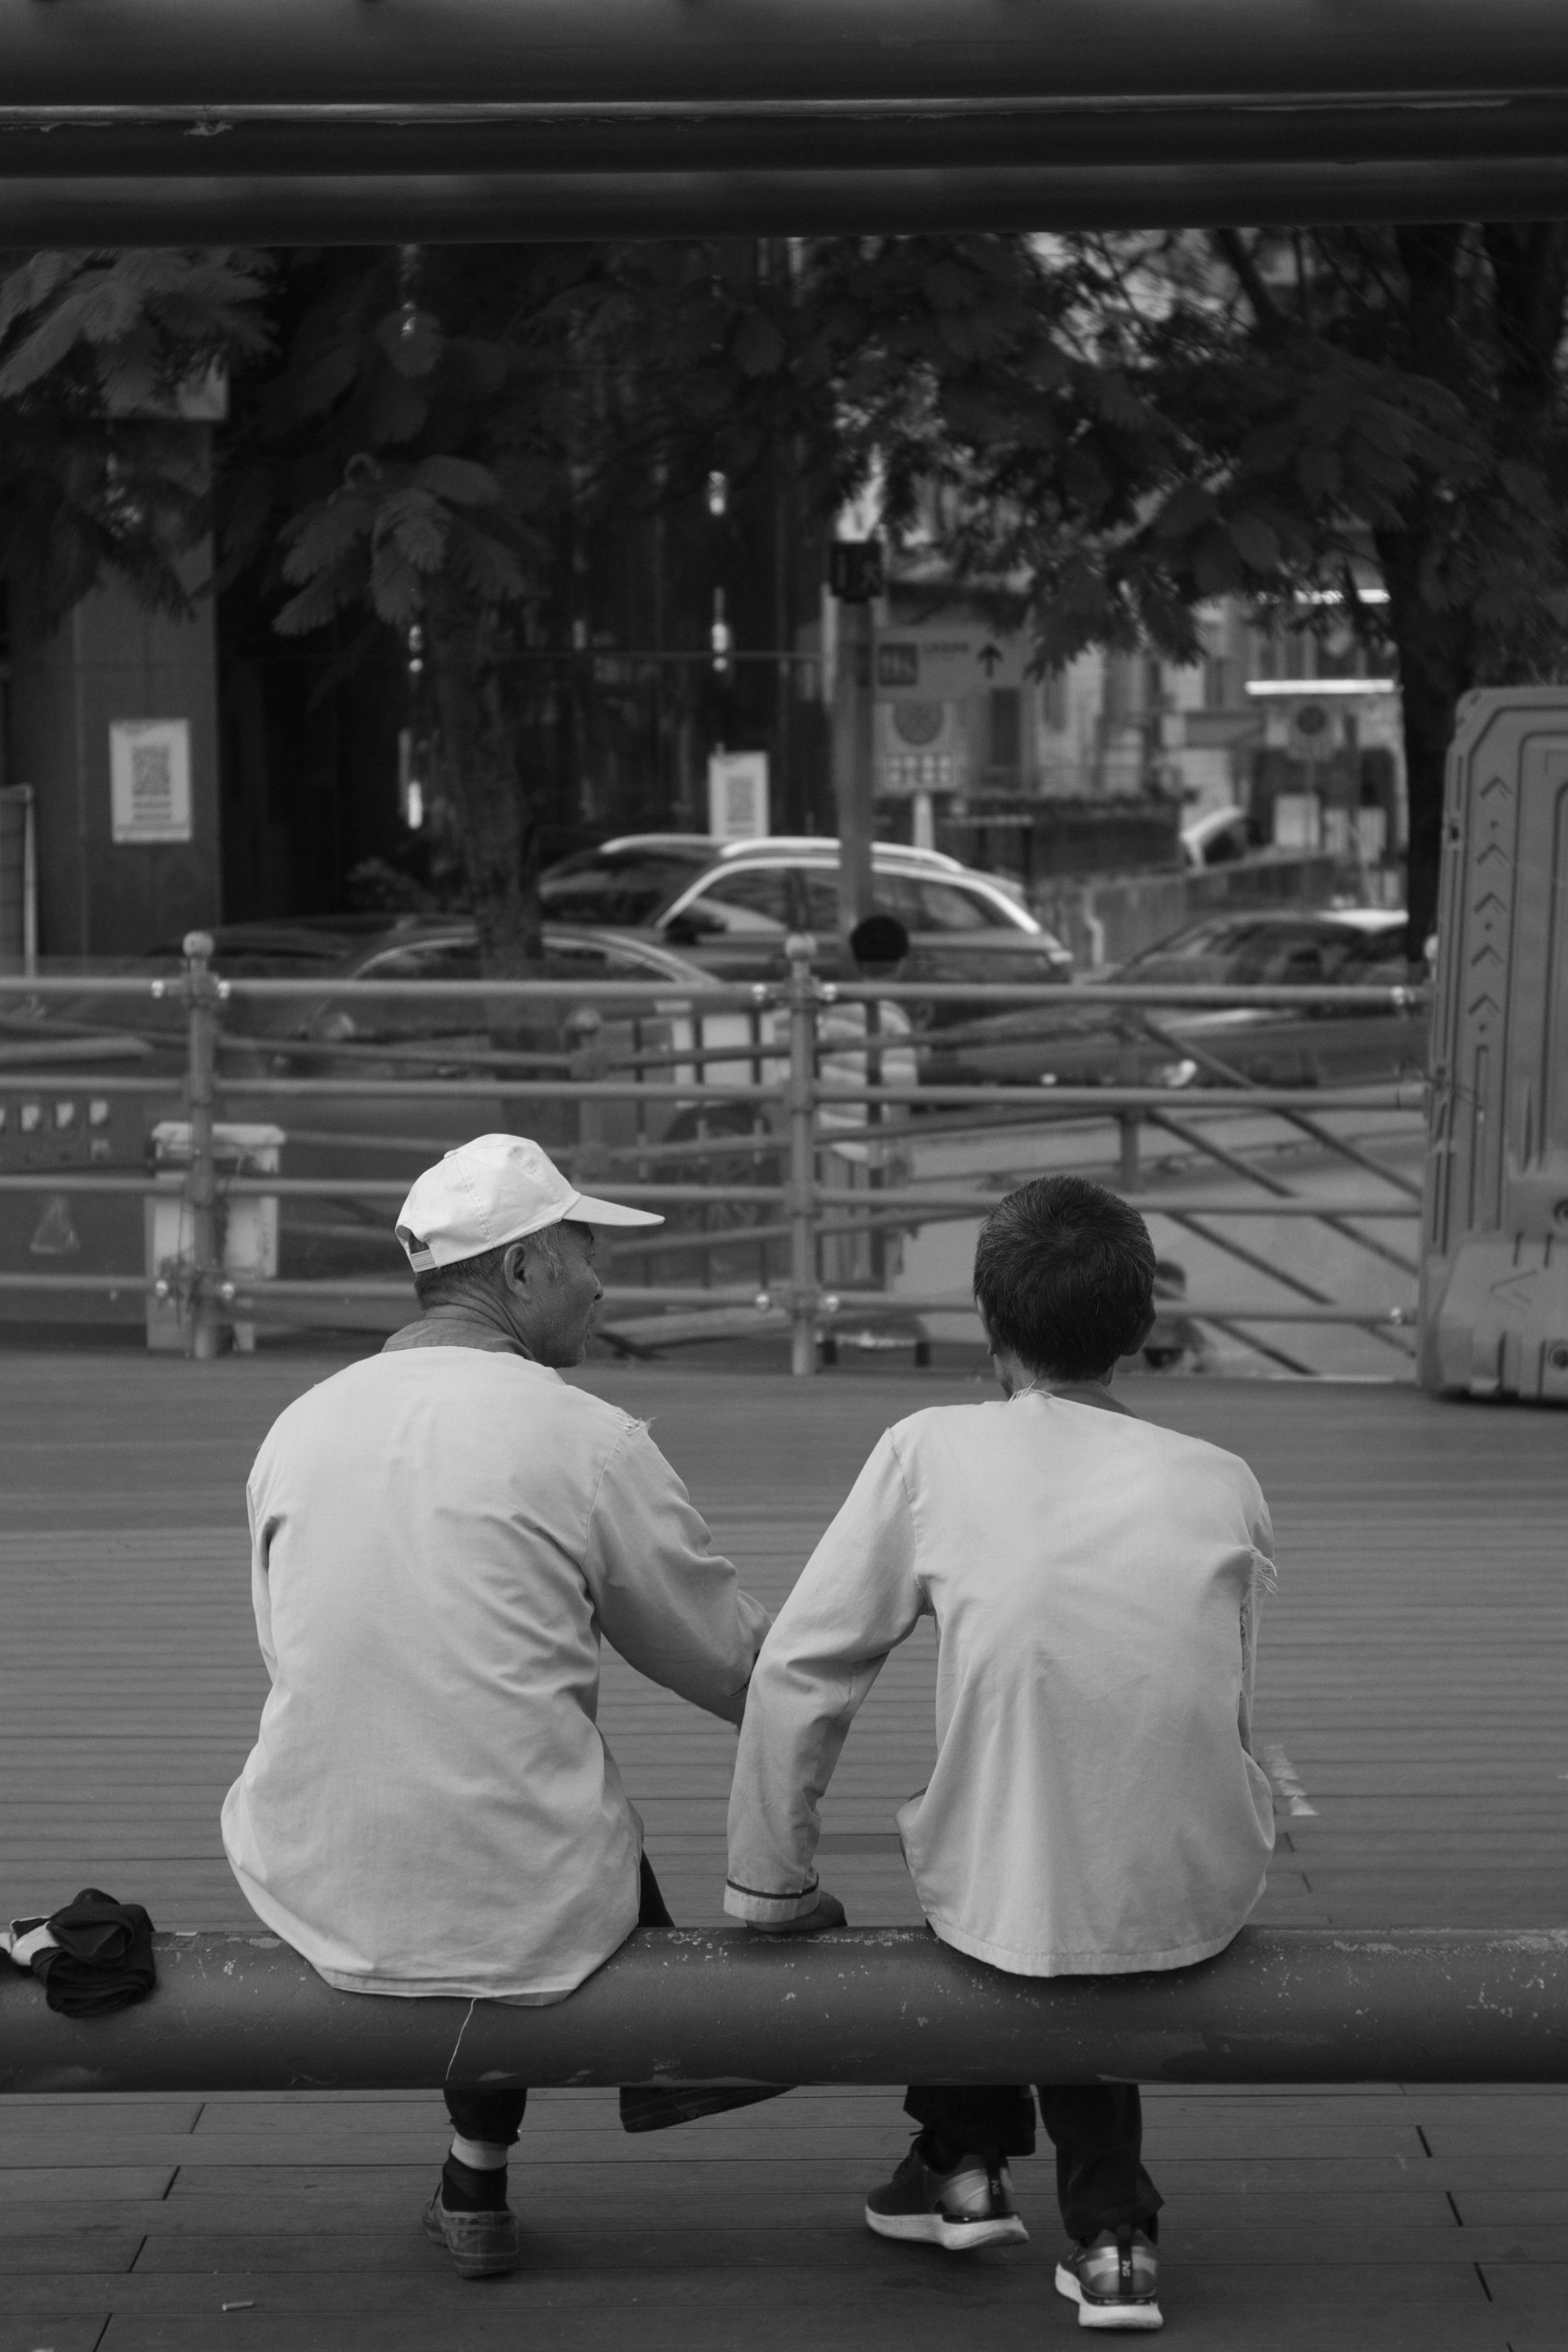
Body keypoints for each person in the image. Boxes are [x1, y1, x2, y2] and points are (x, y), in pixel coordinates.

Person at [222, 1133, 786, 2283]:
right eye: (584, 1250)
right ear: (522, 1271)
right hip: (521, 1889)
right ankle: (688, 2053)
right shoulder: (584, 1437)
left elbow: (297, 1653)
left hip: (313, 1868)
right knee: (535, 1808)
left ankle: (477, 2177)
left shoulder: (298, 1429)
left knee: (464, 1746)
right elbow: (735, 1671)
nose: (601, 1280)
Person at [724, 1174, 1276, 2332]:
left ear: (990, 1321)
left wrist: (769, 1880)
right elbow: (1222, 1698)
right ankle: (1061, 2213)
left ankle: (1022, 2185)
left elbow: (802, 1672)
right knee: (1064, 1828)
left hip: (1025, 1889)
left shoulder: (930, 1453)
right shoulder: (1223, 1479)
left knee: (1012, 1852)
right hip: (1198, 1872)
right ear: (1140, 1326)